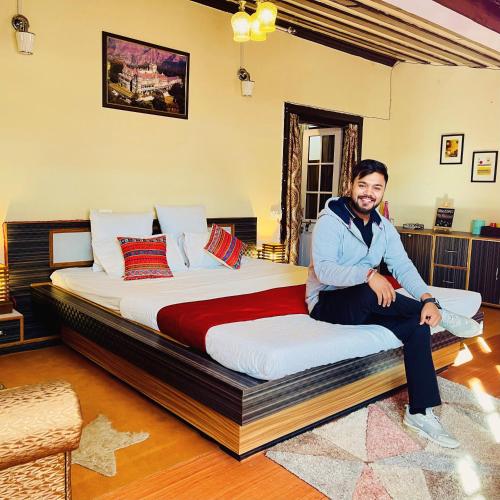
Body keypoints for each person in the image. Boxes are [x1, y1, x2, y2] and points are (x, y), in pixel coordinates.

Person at [306, 159, 481, 449]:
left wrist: (427, 298)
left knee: (418, 323)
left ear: (383, 191)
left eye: (376, 187)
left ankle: (419, 412)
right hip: (327, 301)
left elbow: (403, 266)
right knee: (369, 291)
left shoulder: (383, 227)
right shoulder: (330, 220)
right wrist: (369, 275)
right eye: (363, 185)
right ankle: (445, 315)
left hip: (364, 304)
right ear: (350, 185)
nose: (368, 193)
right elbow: (324, 270)